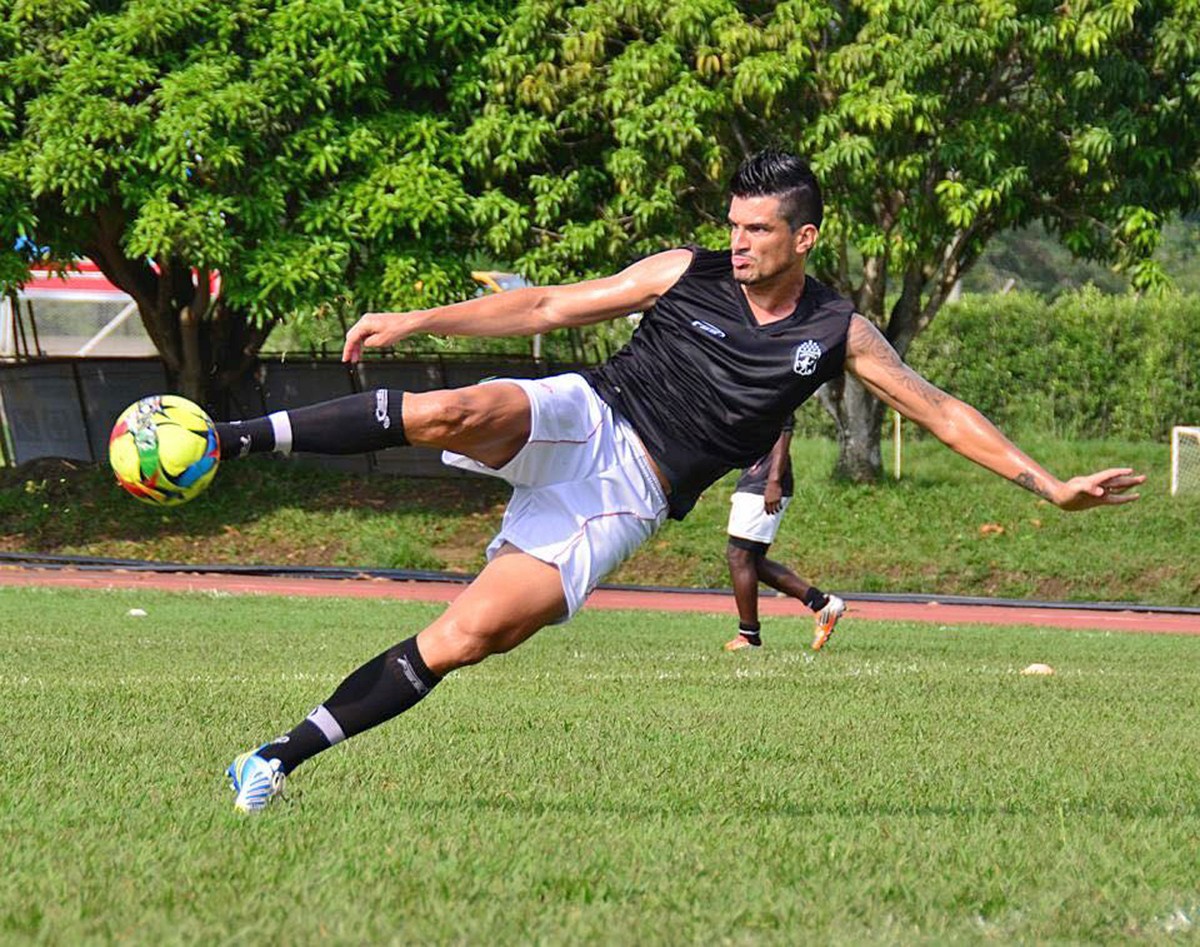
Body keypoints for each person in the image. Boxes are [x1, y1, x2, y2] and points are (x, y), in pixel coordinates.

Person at [216, 149, 1143, 812]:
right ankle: (229, 442)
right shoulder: (682, 273)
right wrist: (418, 321)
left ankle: (276, 758)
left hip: (627, 494)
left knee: (466, 635)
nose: (736, 242)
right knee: (459, 409)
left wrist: (1050, 484)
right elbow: (545, 303)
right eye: (732, 224)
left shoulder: (837, 331)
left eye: (757, 228)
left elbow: (939, 410)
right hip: (592, 407)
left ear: (804, 235)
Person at [723, 416, 846, 652]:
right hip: (752, 478)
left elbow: (784, 427)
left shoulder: (772, 383)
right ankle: (822, 604)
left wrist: (774, 481)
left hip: (764, 482)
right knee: (750, 561)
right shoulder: (746, 385)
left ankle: (749, 636)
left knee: (739, 556)